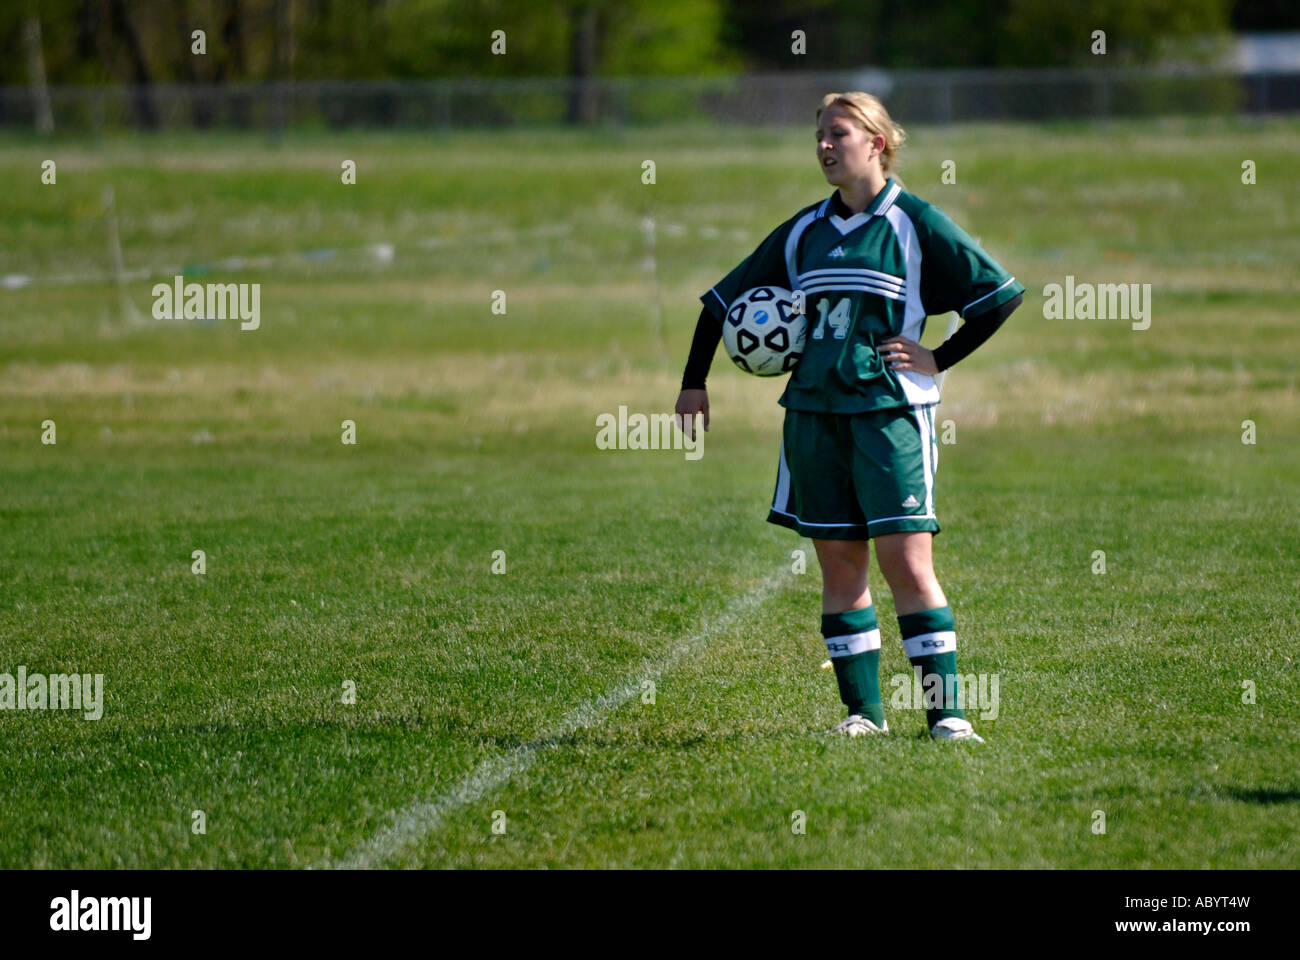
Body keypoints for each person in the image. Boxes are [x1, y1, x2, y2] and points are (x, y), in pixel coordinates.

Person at [675, 92, 1023, 741]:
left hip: (889, 414)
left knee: (908, 564)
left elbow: (998, 296)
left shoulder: (913, 222)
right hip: (812, 415)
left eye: (838, 133)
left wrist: (939, 356)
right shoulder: (805, 230)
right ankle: (863, 714)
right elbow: (721, 301)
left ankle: (948, 716)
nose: (825, 146)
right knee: (839, 564)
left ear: (878, 142)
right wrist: (694, 383)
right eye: (820, 136)